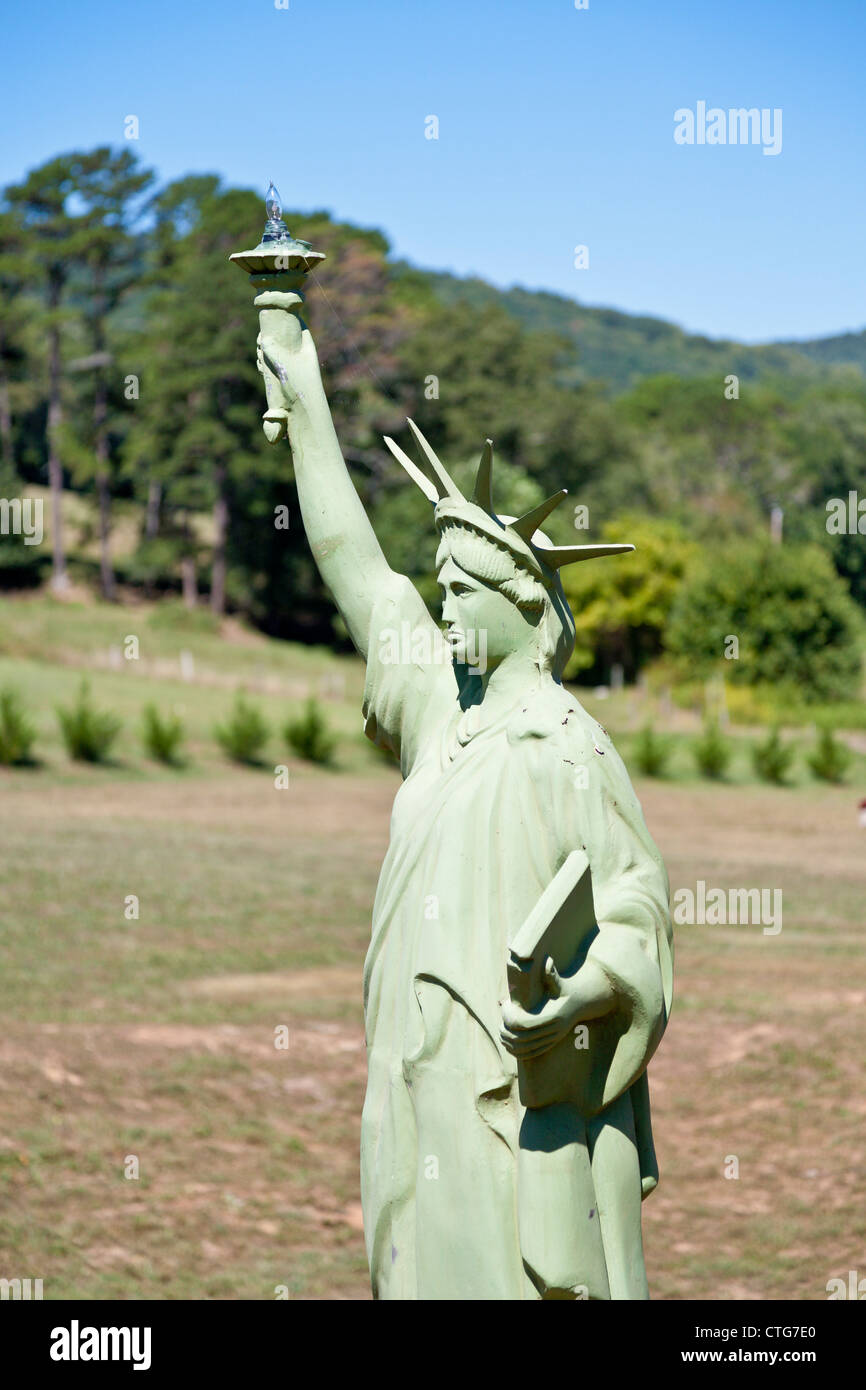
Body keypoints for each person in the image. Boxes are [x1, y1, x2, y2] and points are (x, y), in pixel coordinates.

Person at [256, 303, 673, 1300]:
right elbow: (354, 566)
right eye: (437, 588)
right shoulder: (439, 707)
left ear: (524, 601)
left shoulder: (569, 745)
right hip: (409, 1071)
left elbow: (637, 906)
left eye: (455, 588)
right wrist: (304, 395)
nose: (438, 606)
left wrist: (583, 995)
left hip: (505, 1089)